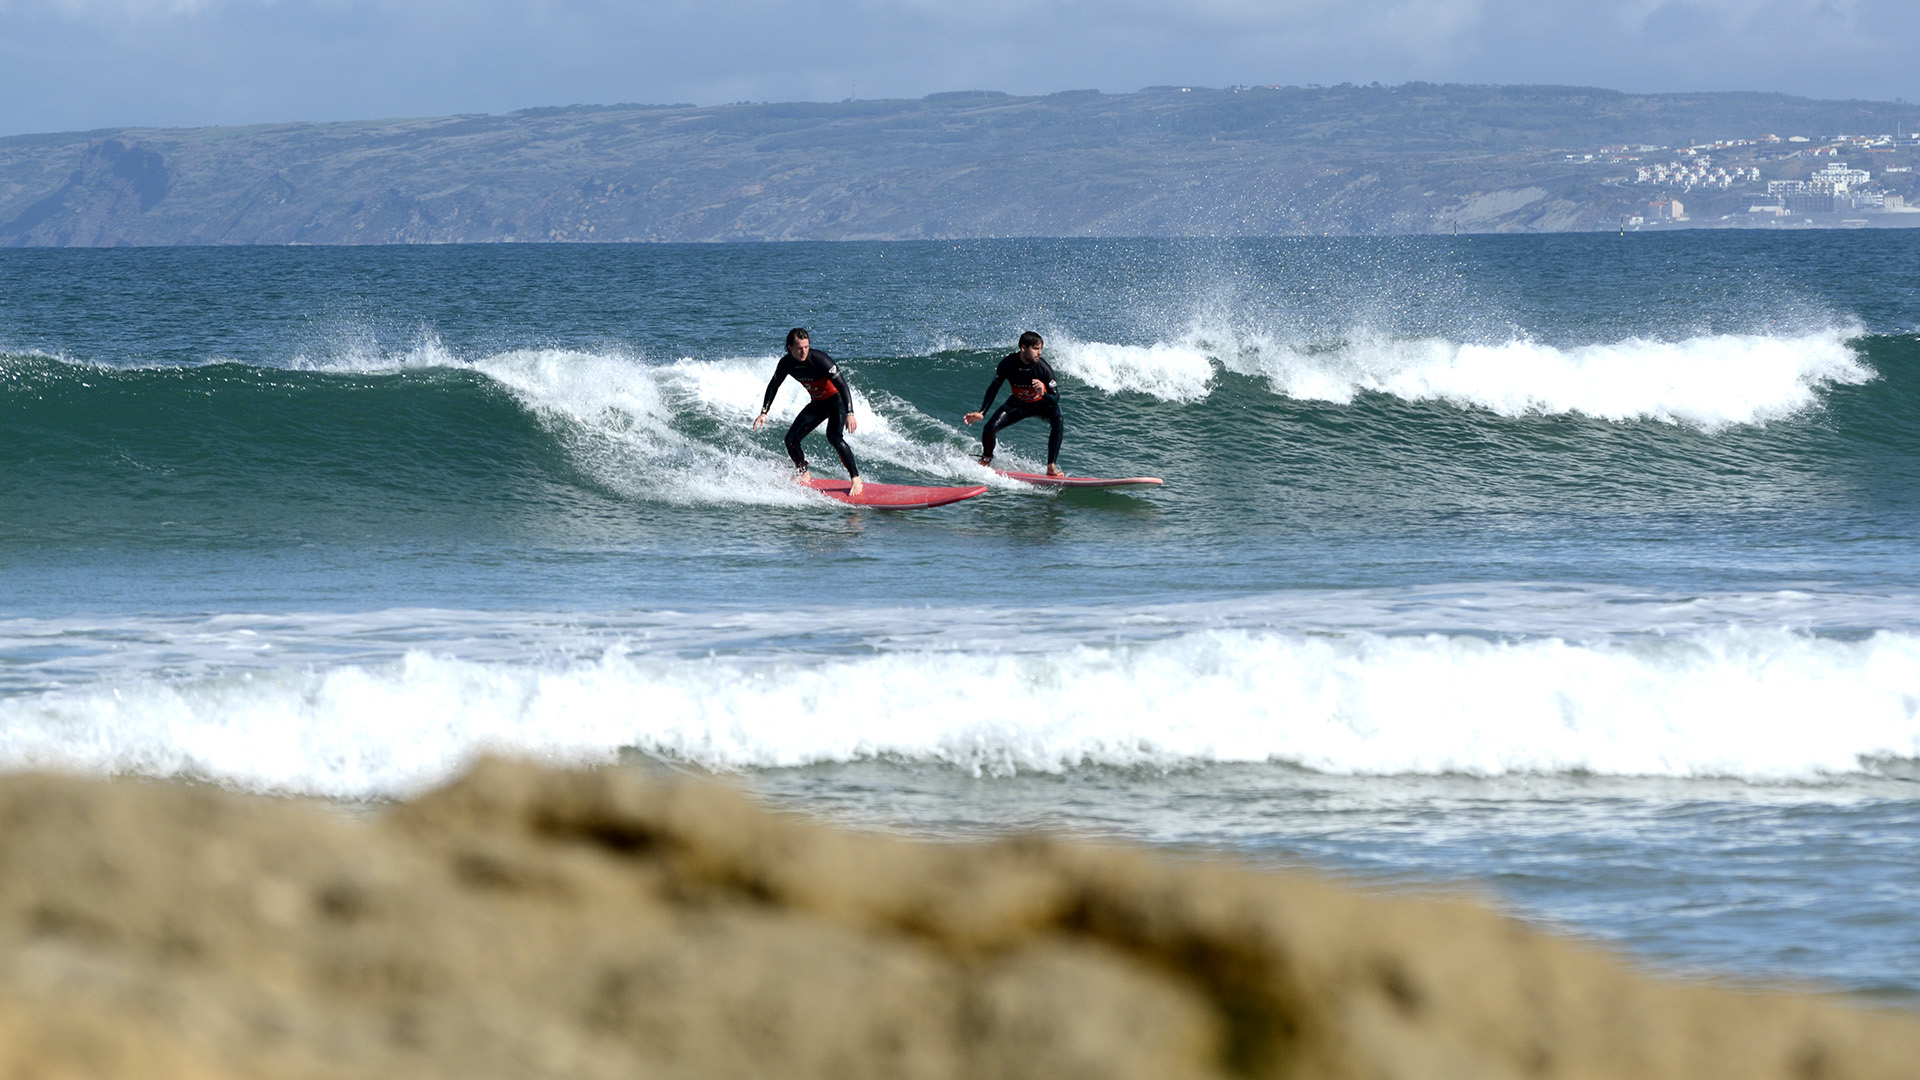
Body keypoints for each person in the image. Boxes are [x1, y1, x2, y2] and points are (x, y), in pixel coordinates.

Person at [753, 328, 863, 497]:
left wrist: (850, 413)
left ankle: (856, 479)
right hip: (818, 403)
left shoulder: (820, 360)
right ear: (790, 347)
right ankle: (802, 471)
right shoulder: (786, 363)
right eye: (799, 348)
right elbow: (774, 385)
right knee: (791, 440)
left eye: (806, 347)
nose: (804, 351)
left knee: (834, 437)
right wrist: (764, 412)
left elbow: (842, 385)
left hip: (836, 401)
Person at [963, 331, 1065, 477]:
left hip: (1041, 405)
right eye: (1036, 348)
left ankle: (1051, 466)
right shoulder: (1008, 364)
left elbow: (1055, 399)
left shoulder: (1043, 368)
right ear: (1023, 348)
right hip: (1018, 404)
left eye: (1041, 349)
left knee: (1058, 419)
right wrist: (982, 412)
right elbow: (994, 387)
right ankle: (986, 460)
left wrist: (1043, 393)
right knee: (989, 429)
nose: (1040, 353)